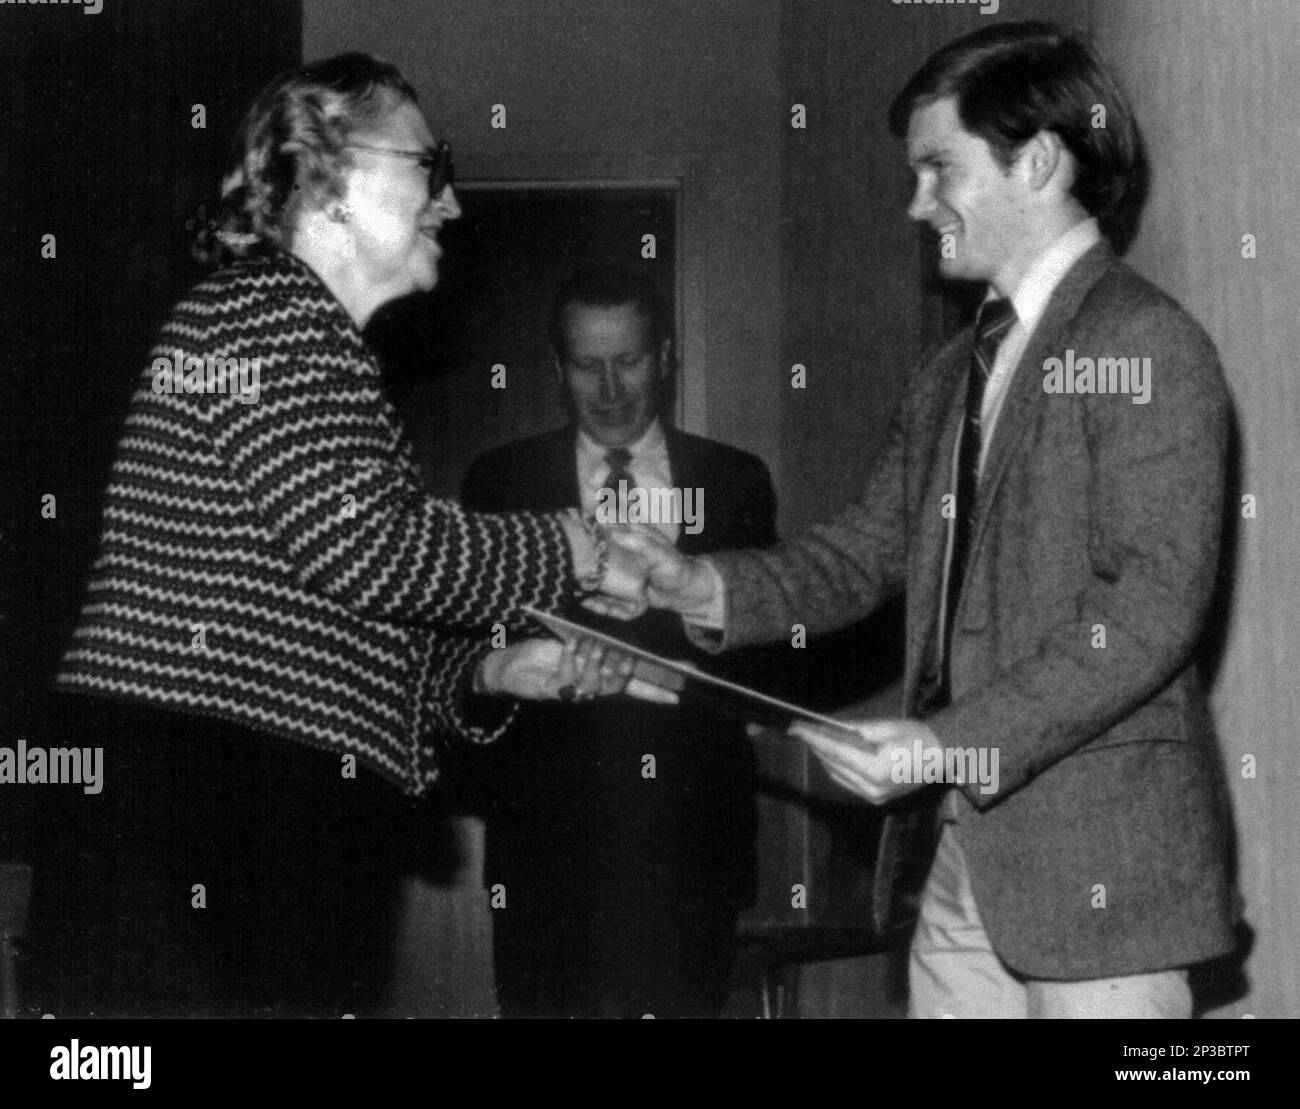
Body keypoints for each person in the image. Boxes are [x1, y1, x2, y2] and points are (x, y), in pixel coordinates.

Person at [602, 22, 1237, 1019]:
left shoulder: (1145, 341)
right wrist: (702, 583)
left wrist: (947, 746)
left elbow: (1152, 607)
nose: (915, 203)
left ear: (1037, 161)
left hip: (1101, 883)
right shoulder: (951, 373)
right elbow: (861, 553)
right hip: (956, 870)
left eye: (938, 169)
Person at [49, 53, 640, 1017]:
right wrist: (577, 548)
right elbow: (365, 548)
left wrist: (492, 673)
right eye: (428, 163)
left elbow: (338, 620)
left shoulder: (305, 338)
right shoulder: (266, 314)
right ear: (328, 178)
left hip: (237, 798)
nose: (449, 202)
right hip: (201, 798)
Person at [459, 265, 776, 1018]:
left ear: (665, 356)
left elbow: (767, 653)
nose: (609, 388)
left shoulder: (733, 481)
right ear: (558, 368)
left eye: (628, 360)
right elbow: (471, 652)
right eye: (586, 365)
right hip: (547, 851)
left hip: (689, 843)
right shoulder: (502, 481)